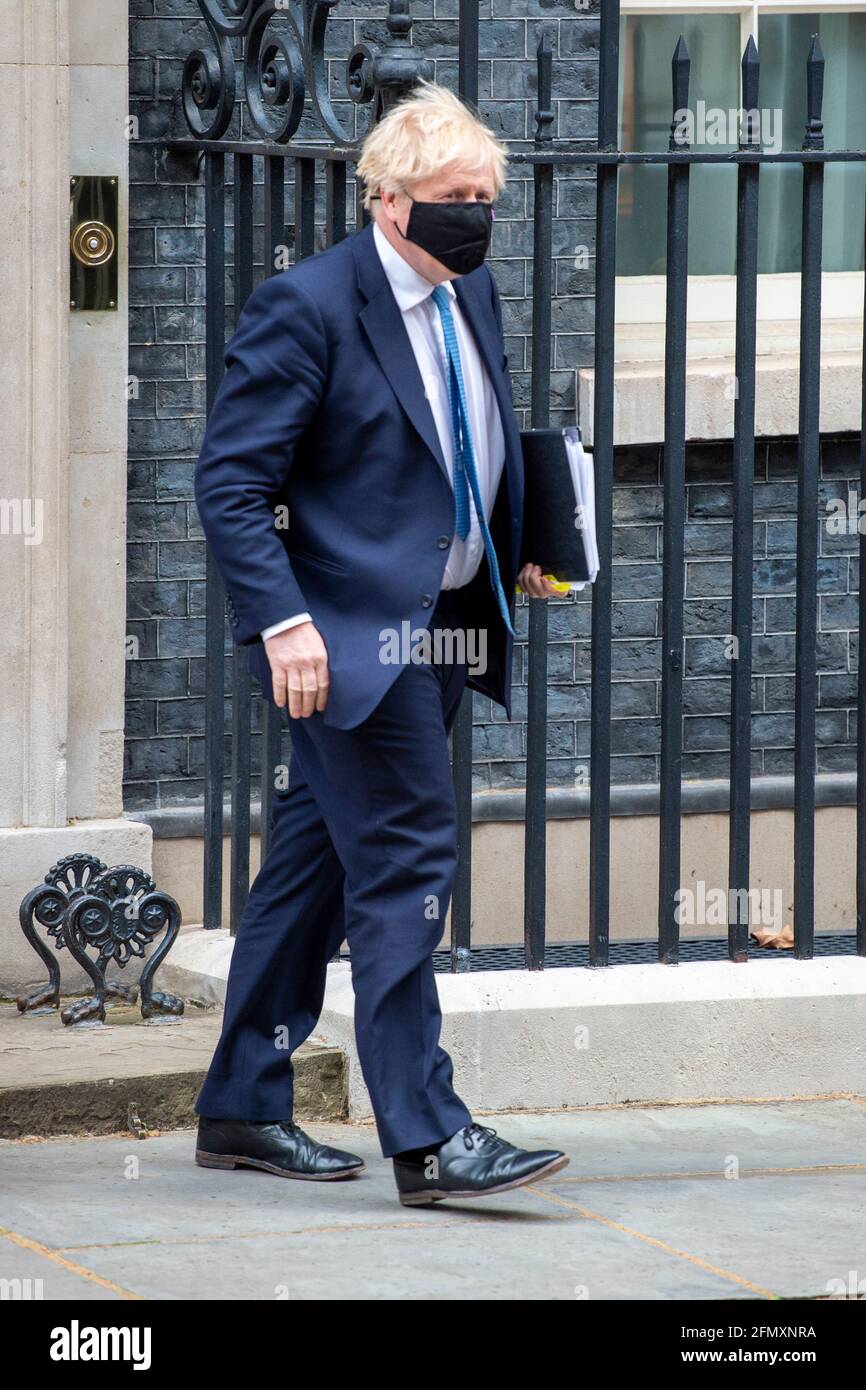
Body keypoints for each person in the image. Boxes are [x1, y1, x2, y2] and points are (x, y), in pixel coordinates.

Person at [192, 78, 568, 1205]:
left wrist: (513, 549)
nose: (478, 215)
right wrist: (284, 621)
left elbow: (464, 441)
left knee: (312, 867)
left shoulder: (470, 292)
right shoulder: (306, 306)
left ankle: (242, 1105)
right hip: (351, 639)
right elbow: (230, 481)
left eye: (488, 196)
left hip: (445, 623)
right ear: (390, 201)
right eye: (456, 196)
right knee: (406, 859)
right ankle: (429, 1134)